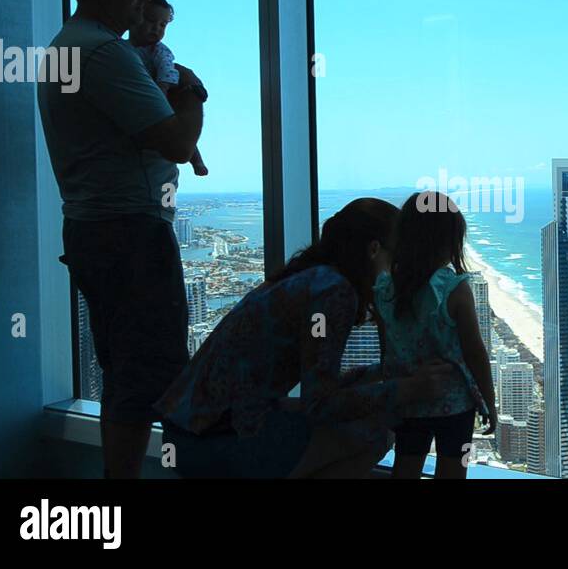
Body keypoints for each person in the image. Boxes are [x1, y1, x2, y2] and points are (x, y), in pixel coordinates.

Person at [37, 0, 208, 479]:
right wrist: (194, 98)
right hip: (130, 231)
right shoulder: (102, 52)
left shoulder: (65, 47)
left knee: (123, 370)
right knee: (153, 373)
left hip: (94, 229)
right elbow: (177, 144)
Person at [154, 199, 458, 478]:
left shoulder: (309, 277)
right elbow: (322, 404)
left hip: (190, 431)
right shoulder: (334, 291)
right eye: (396, 255)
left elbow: (318, 388)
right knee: (379, 433)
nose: (396, 267)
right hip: (211, 439)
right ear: (374, 249)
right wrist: (408, 390)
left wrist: (383, 372)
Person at [375, 191, 498, 479]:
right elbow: (475, 352)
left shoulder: (384, 290)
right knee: (453, 470)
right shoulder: (453, 289)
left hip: (408, 399)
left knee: (405, 467)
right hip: (455, 403)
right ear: (448, 242)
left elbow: (386, 351)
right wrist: (489, 403)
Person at [127, 0, 209, 176]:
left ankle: (197, 162)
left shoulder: (159, 50)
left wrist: (162, 88)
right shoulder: (125, 50)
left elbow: (168, 68)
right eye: (150, 21)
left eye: (162, 25)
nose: (156, 29)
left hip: (163, 94)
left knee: (182, 134)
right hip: (151, 96)